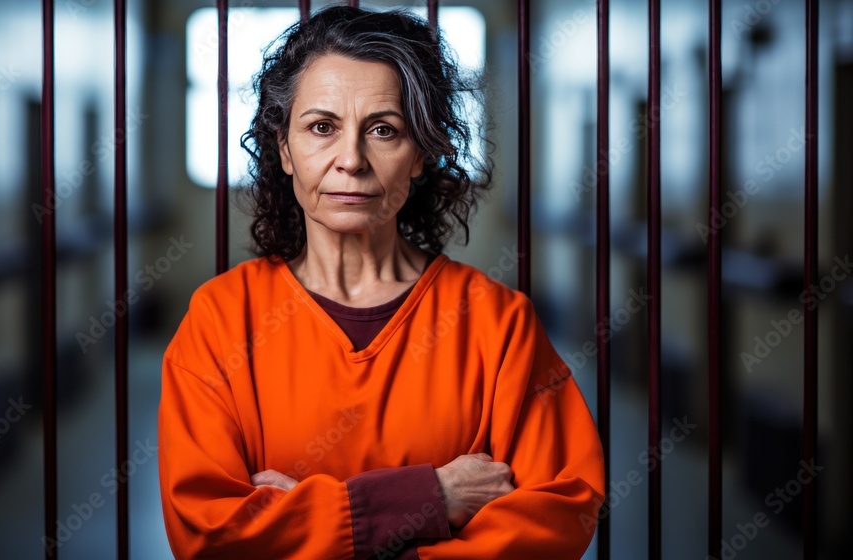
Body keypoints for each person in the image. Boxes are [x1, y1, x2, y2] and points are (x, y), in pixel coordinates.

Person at [158, 5, 605, 559]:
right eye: (322, 127)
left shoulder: (497, 323)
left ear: (419, 154)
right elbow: (211, 535)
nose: (351, 159)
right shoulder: (222, 320)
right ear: (284, 150)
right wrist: (431, 498)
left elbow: (560, 511)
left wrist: (311, 528)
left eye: (384, 130)